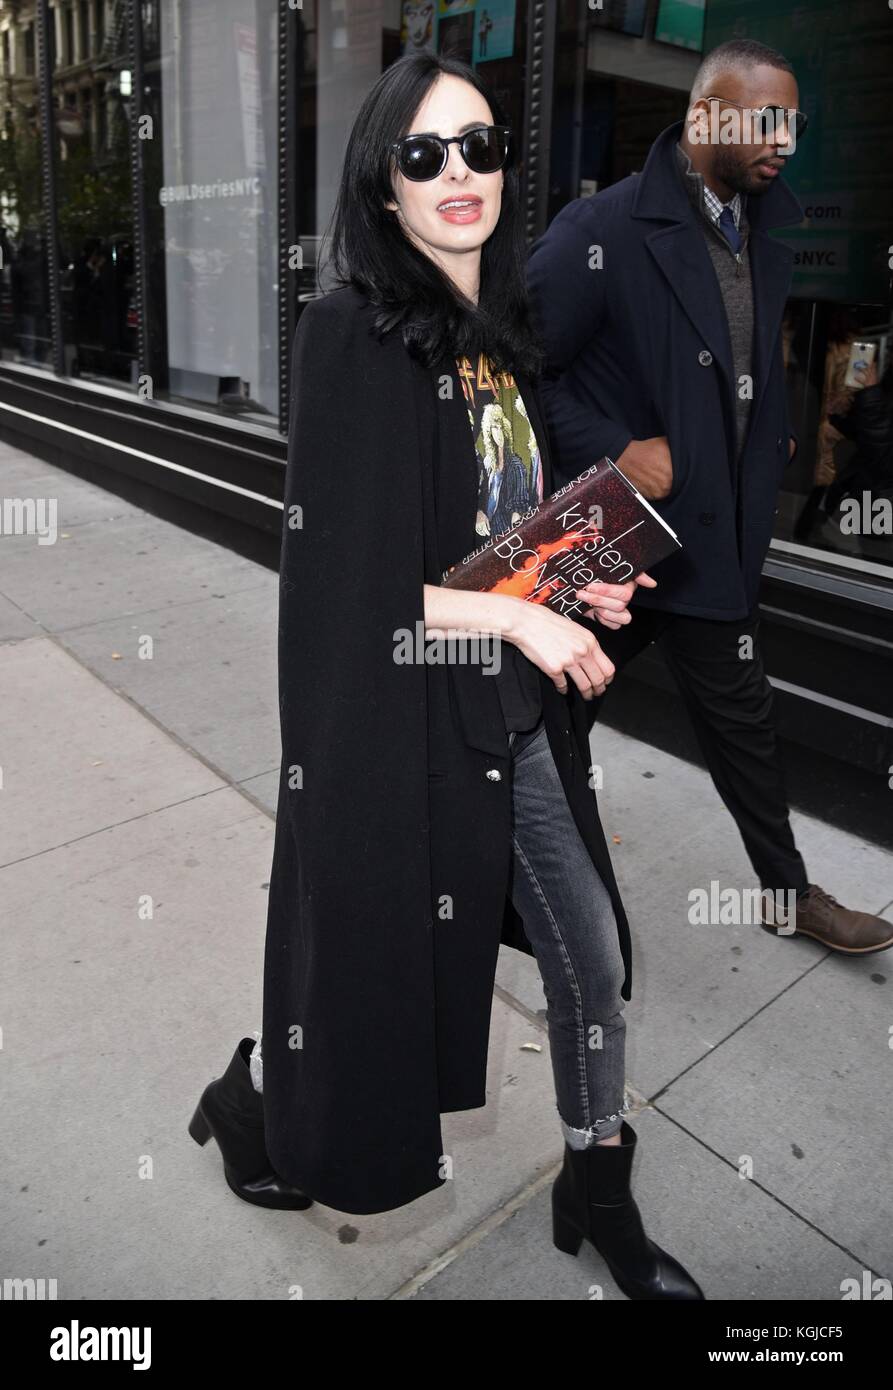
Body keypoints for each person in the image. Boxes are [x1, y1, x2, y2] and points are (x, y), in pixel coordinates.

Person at [189, 51, 703, 1300]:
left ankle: (596, 1184)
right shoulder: (349, 335)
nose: (456, 173)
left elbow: (495, 543)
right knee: (369, 982)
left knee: (586, 953)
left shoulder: (500, 332)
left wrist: (577, 588)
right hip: (404, 725)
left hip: (506, 718)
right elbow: (349, 589)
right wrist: (521, 627)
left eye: (477, 146)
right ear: (382, 186)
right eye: (423, 155)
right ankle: (253, 1094)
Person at [527, 38, 893, 955]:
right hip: (614, 544)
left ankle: (785, 891)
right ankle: (531, 890)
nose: (783, 143)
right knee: (541, 719)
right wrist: (613, 449)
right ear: (703, 119)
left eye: (792, 124)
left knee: (743, 723)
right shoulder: (599, 232)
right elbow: (515, 367)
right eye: (763, 122)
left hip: (711, 546)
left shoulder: (763, 230)